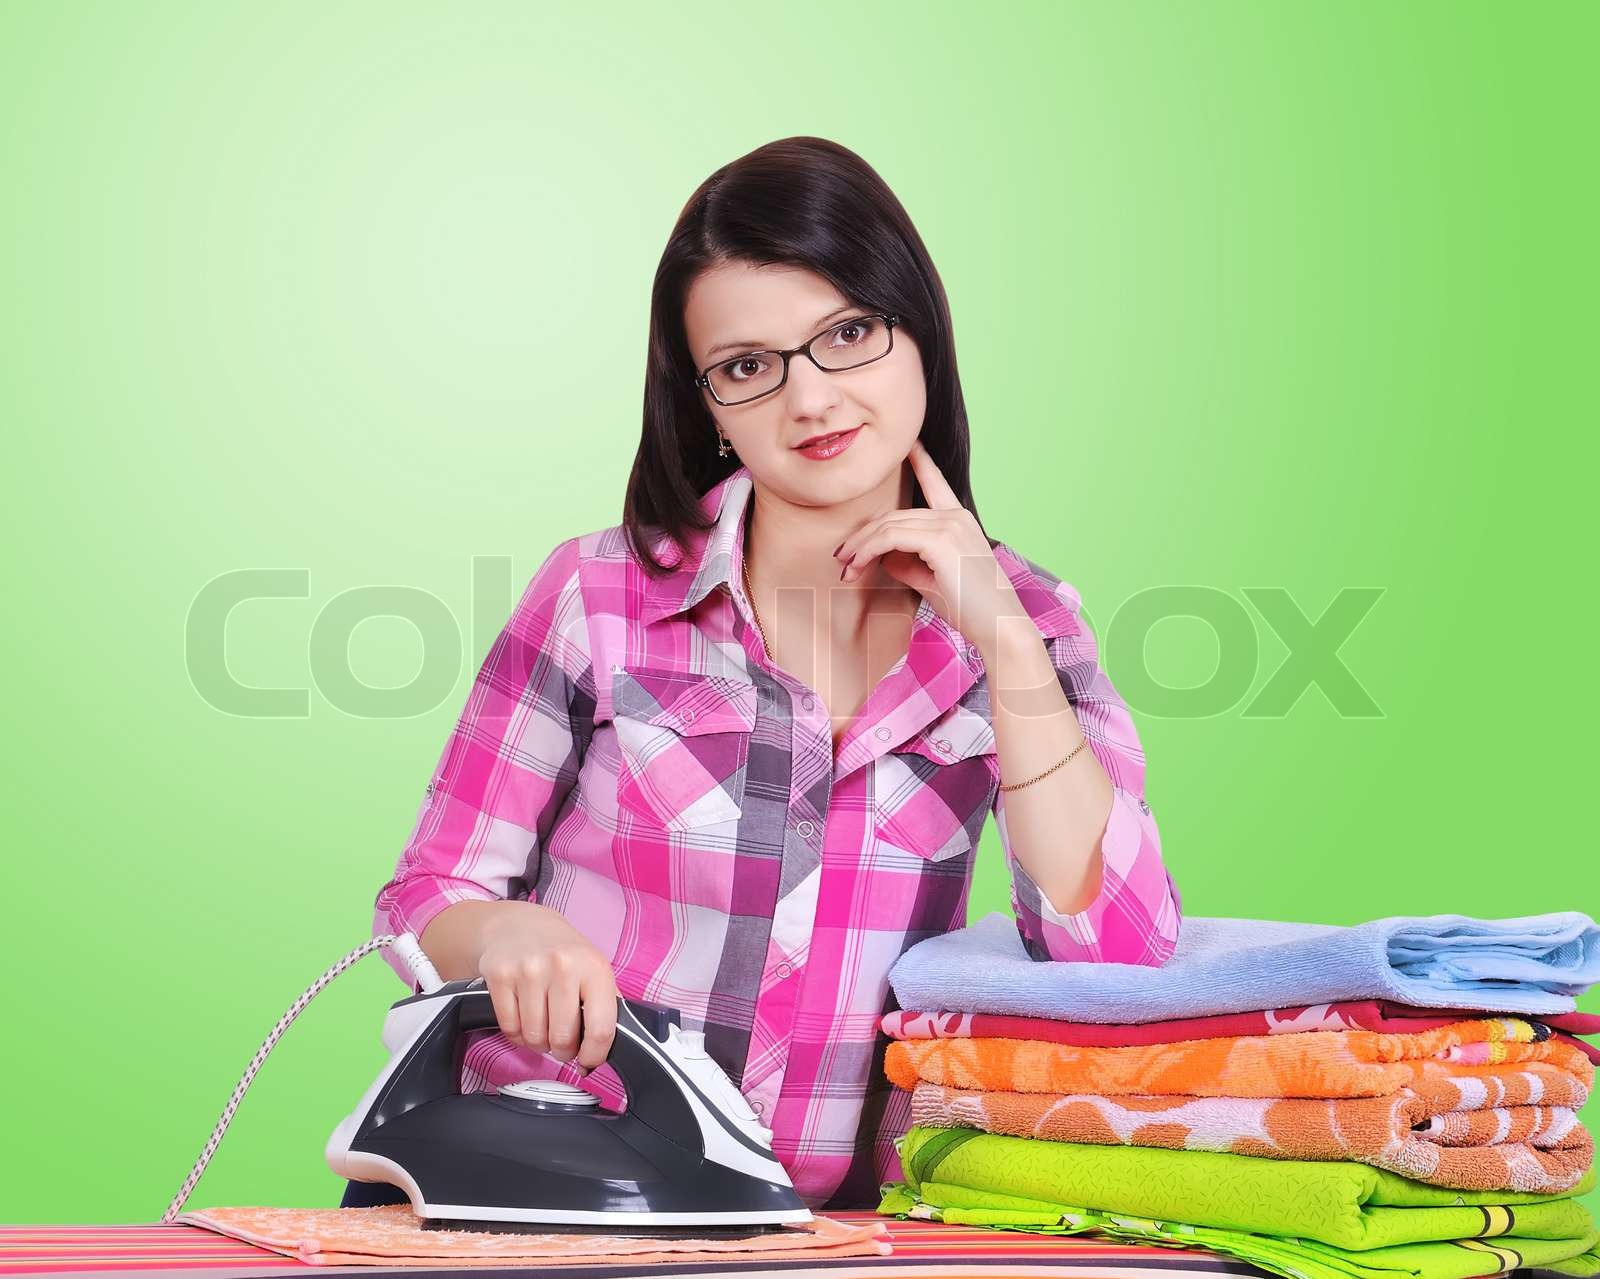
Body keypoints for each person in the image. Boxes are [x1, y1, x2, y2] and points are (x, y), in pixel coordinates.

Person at [342, 135, 1182, 1213]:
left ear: (916, 328)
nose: (810, 399)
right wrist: (508, 932)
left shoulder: (1031, 627)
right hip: (531, 1198)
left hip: (825, 1231)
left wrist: (1006, 643)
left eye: (846, 334)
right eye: (748, 367)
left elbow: (1113, 966)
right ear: (709, 408)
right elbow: (427, 894)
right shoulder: (598, 595)